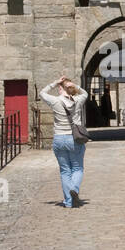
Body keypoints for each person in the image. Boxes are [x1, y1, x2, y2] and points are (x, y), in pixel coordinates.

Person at [40, 75, 87, 208]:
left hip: (59, 138)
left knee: (65, 171)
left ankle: (68, 201)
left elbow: (42, 93)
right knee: (77, 168)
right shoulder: (78, 100)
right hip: (74, 138)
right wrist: (73, 85)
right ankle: (74, 189)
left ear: (61, 88)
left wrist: (55, 82)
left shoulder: (55, 101)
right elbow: (85, 93)